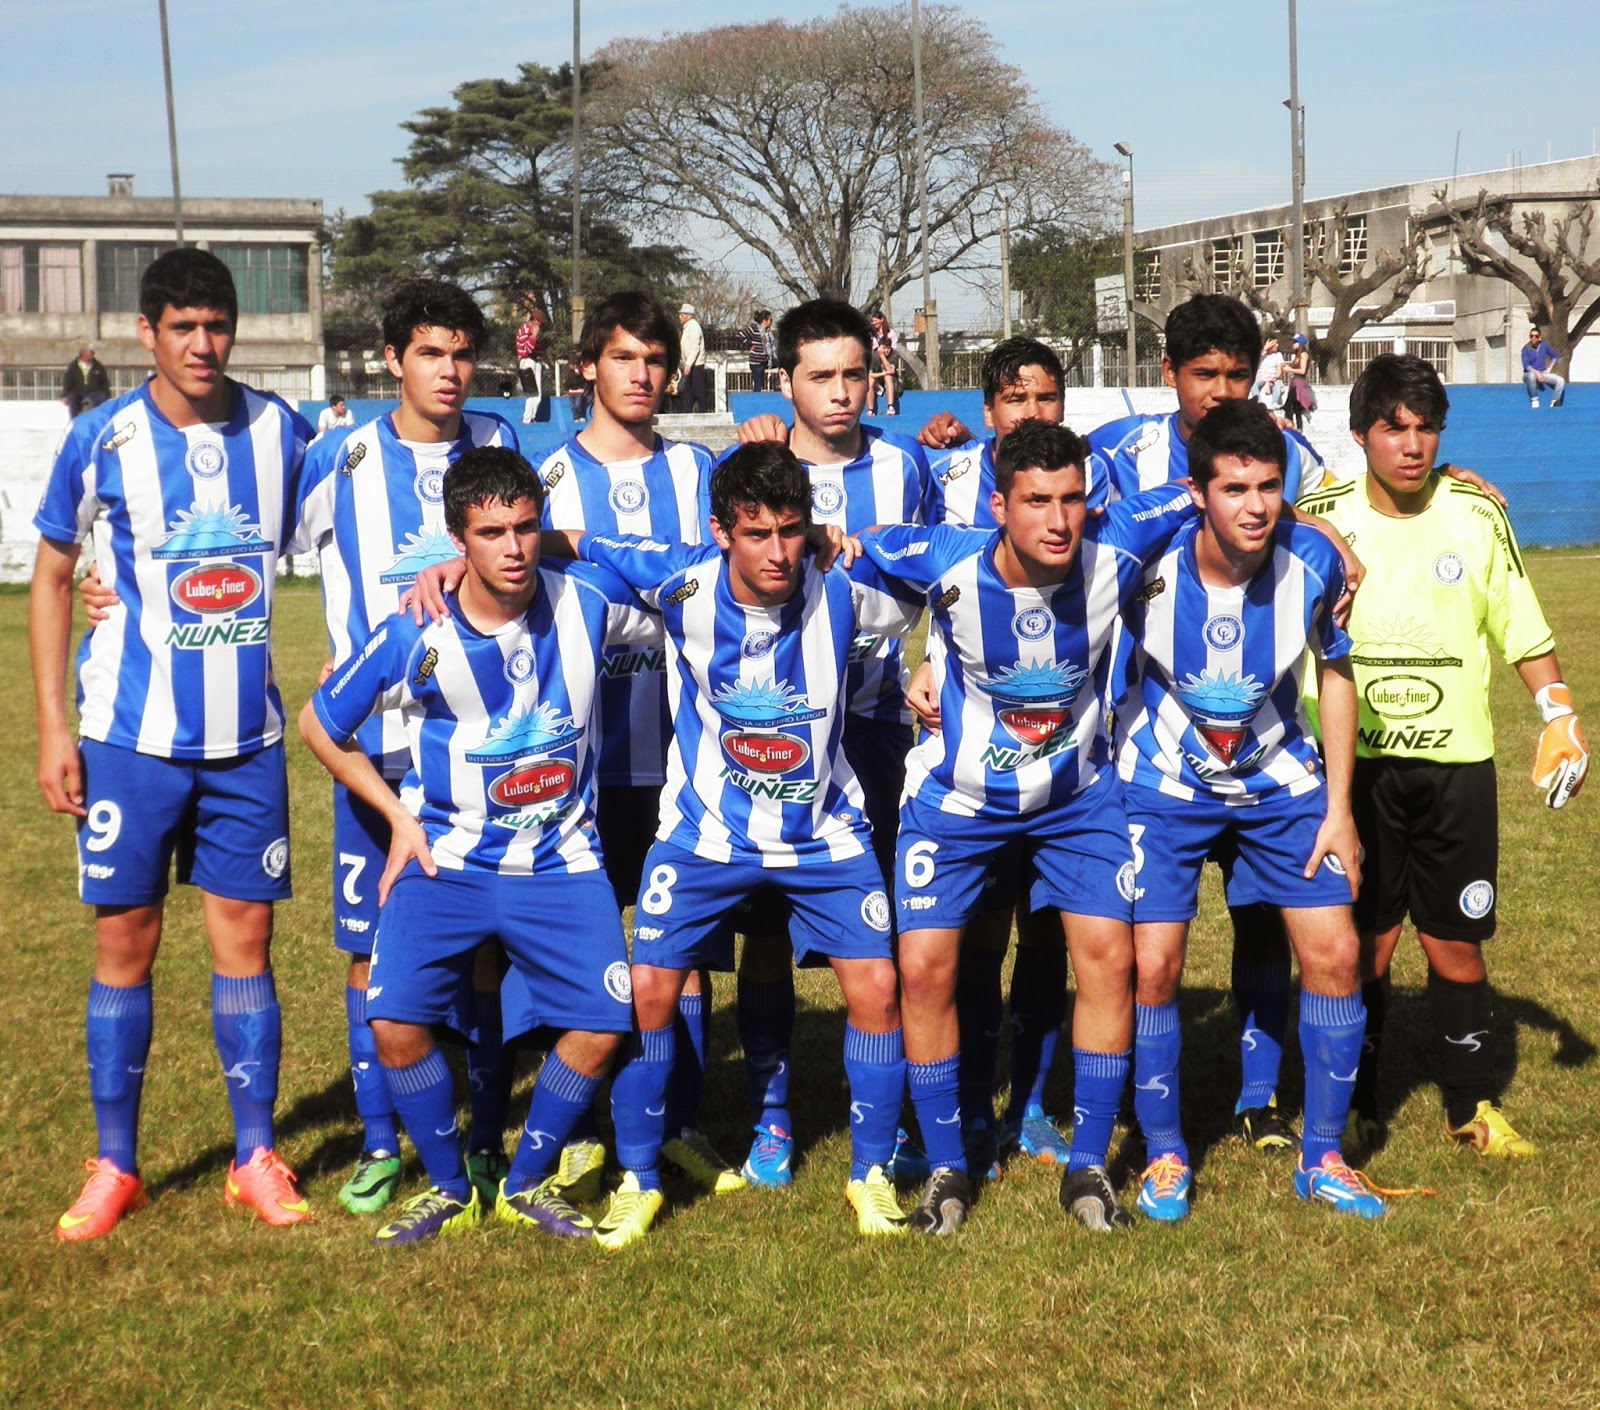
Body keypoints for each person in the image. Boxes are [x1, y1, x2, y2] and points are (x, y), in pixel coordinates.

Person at [545, 443, 923, 1248]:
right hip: (703, 836)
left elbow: (950, 582)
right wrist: (451, 571)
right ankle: (640, 1180)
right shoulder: (681, 584)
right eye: (758, 534)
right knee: (647, 992)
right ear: (720, 532)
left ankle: (871, 1175)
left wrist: (865, 540)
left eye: (793, 531)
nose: (779, 552)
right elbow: (575, 541)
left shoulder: (845, 592)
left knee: (879, 990)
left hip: (824, 834)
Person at [298, 446, 654, 1246]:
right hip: (445, 861)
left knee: (601, 1024)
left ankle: (527, 1180)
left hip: (561, 863)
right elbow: (319, 723)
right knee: (393, 1022)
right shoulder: (416, 629)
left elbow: (691, 597)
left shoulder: (588, 601)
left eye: (526, 527)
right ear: (460, 541)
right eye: (492, 532)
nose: (514, 547)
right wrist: (396, 815)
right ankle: (452, 1187)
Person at [858, 420, 1205, 1235]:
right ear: (998, 506)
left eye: (1073, 499)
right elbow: (863, 539)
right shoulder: (943, 558)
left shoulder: (1117, 547)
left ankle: (1088, 1167)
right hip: (957, 804)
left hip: (1076, 800)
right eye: (1037, 502)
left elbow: (1229, 495)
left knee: (1108, 962)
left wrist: (1327, 532)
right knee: (925, 969)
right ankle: (948, 1165)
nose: (1058, 520)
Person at [31, 248, 315, 1239]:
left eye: (218, 325)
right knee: (126, 944)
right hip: (127, 738)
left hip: (247, 740)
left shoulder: (282, 428)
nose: (203, 344)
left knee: (246, 944)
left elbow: (355, 521)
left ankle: (254, 1156)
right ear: (145, 334)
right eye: (183, 327)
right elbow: (53, 578)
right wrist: (53, 730)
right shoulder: (100, 437)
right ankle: (116, 1165)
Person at [1297, 354, 1588, 1157]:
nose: (1413, 445)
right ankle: (1354, 1105)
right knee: (1365, 947)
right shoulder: (1316, 516)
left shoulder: (1475, 514)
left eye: (1427, 429)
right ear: (1361, 436)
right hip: (1356, 770)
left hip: (1456, 767)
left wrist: (1557, 715)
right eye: (1395, 428)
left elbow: (1522, 628)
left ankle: (1470, 1109)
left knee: (1456, 944)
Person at [1116, 398, 1382, 1222]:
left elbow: (1336, 676)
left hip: (1281, 785)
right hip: (1160, 786)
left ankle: (1323, 1156)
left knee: (1335, 955)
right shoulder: (1141, 563)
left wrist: (1339, 807)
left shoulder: (1314, 563)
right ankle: (1164, 1154)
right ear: (1197, 493)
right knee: (1152, 969)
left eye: (1269, 486)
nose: (1256, 505)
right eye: (1234, 488)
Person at [725, 298, 934, 1189]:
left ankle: (898, 1122)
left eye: (856, 373)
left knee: (891, 930)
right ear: (785, 383)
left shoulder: (906, 465)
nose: (843, 392)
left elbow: (929, 581)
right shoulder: (755, 467)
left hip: (878, 725)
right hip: (773, 734)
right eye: (821, 376)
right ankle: (772, 1118)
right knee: (765, 931)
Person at [531, 291, 735, 1197]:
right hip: (572, 753)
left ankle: (677, 1121)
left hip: (684, 751)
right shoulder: (540, 481)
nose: (642, 374)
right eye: (623, 358)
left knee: (678, 952)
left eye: (655, 359)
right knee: (576, 948)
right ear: (586, 368)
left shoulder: (698, 472)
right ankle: (574, 1126)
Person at [912, 338, 1084, 1178]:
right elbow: (885, 573)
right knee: (975, 936)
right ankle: (972, 1102)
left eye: (1046, 398)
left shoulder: (1087, 484)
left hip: (1068, 744)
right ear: (987, 414)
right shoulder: (940, 478)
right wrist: (914, 666)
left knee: (1048, 934)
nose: (1032, 414)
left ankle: (1036, 1105)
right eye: (1015, 401)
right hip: (967, 747)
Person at [516, 300, 549, 423]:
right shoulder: (525, 330)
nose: (540, 325)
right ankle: (527, 419)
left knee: (537, 394)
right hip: (528, 362)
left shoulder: (534, 331)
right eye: (539, 322)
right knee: (531, 393)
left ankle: (533, 417)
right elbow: (526, 351)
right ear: (535, 320)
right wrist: (533, 336)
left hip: (536, 362)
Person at [61, 341, 112, 417]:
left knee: (101, 399)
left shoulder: (98, 366)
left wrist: (106, 394)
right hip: (78, 392)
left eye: (92, 353)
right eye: (90, 352)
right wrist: (65, 395)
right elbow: (67, 382)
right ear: (83, 354)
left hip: (94, 392)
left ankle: (101, 420)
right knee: (73, 400)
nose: (92, 355)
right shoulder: (73, 367)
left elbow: (104, 382)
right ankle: (75, 422)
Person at [1521, 326, 1565, 408]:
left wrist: (1549, 369)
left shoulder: (1544, 346)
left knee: (1560, 380)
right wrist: (1537, 374)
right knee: (1531, 376)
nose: (1533, 338)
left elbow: (1555, 356)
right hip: (1529, 373)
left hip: (1542, 373)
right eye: (1531, 336)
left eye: (1536, 336)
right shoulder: (1526, 349)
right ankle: (1534, 400)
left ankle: (1555, 401)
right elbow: (1526, 366)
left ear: (1540, 338)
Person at [677, 303, 709, 414]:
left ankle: (703, 412)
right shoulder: (687, 327)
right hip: (689, 363)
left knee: (698, 390)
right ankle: (687, 412)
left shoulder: (694, 326)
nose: (679, 317)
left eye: (681, 315)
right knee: (688, 391)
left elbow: (695, 347)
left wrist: (689, 364)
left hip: (696, 365)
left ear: (688, 315)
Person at [867, 310, 899, 416]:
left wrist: (883, 355)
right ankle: (870, 410)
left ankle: (890, 407)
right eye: (872, 322)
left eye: (876, 321)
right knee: (870, 380)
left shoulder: (891, 336)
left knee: (888, 377)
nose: (874, 324)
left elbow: (890, 370)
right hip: (878, 375)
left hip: (888, 373)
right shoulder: (872, 337)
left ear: (882, 320)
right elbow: (870, 373)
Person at [1283, 332, 1314, 431]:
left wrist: (1289, 370)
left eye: (1295, 342)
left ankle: (1291, 428)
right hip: (1294, 381)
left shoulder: (1304, 355)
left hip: (1299, 383)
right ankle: (1299, 428)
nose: (1293, 344)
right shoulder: (1297, 355)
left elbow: (1302, 371)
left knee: (1288, 406)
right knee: (1296, 407)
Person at [1251, 337, 1286, 411]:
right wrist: (1265, 347)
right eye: (1274, 343)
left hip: (1273, 375)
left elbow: (1279, 369)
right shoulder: (1262, 354)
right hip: (1261, 374)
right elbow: (1255, 358)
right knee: (1253, 384)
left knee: (1277, 384)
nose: (1277, 345)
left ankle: (1274, 403)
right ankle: (1258, 402)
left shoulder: (1278, 355)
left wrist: (1276, 377)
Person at [744, 308, 774, 393]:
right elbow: (740, 335)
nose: (771, 322)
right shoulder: (754, 328)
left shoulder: (767, 332)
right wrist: (750, 345)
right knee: (758, 384)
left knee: (782, 363)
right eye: (770, 320)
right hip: (756, 362)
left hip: (765, 360)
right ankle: (755, 401)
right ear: (765, 320)